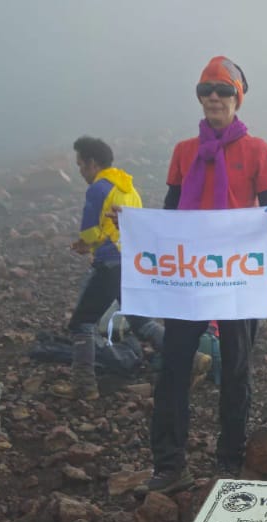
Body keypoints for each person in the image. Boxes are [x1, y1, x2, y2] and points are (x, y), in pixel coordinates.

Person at [148, 56, 267, 493]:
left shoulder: (258, 150)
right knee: (173, 367)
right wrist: (135, 226)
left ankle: (229, 459)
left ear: (237, 98)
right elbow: (171, 211)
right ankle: (169, 464)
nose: (213, 97)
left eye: (223, 90)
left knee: (236, 368)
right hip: (189, 274)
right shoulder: (184, 151)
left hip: (236, 276)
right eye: (205, 90)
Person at [51, 136, 165, 400]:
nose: (80, 171)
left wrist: (85, 243)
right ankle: (191, 358)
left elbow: (90, 230)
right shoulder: (128, 188)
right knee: (139, 320)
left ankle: (84, 385)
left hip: (110, 263)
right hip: (132, 261)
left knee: (82, 322)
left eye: (80, 165)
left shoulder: (98, 189)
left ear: (92, 163)